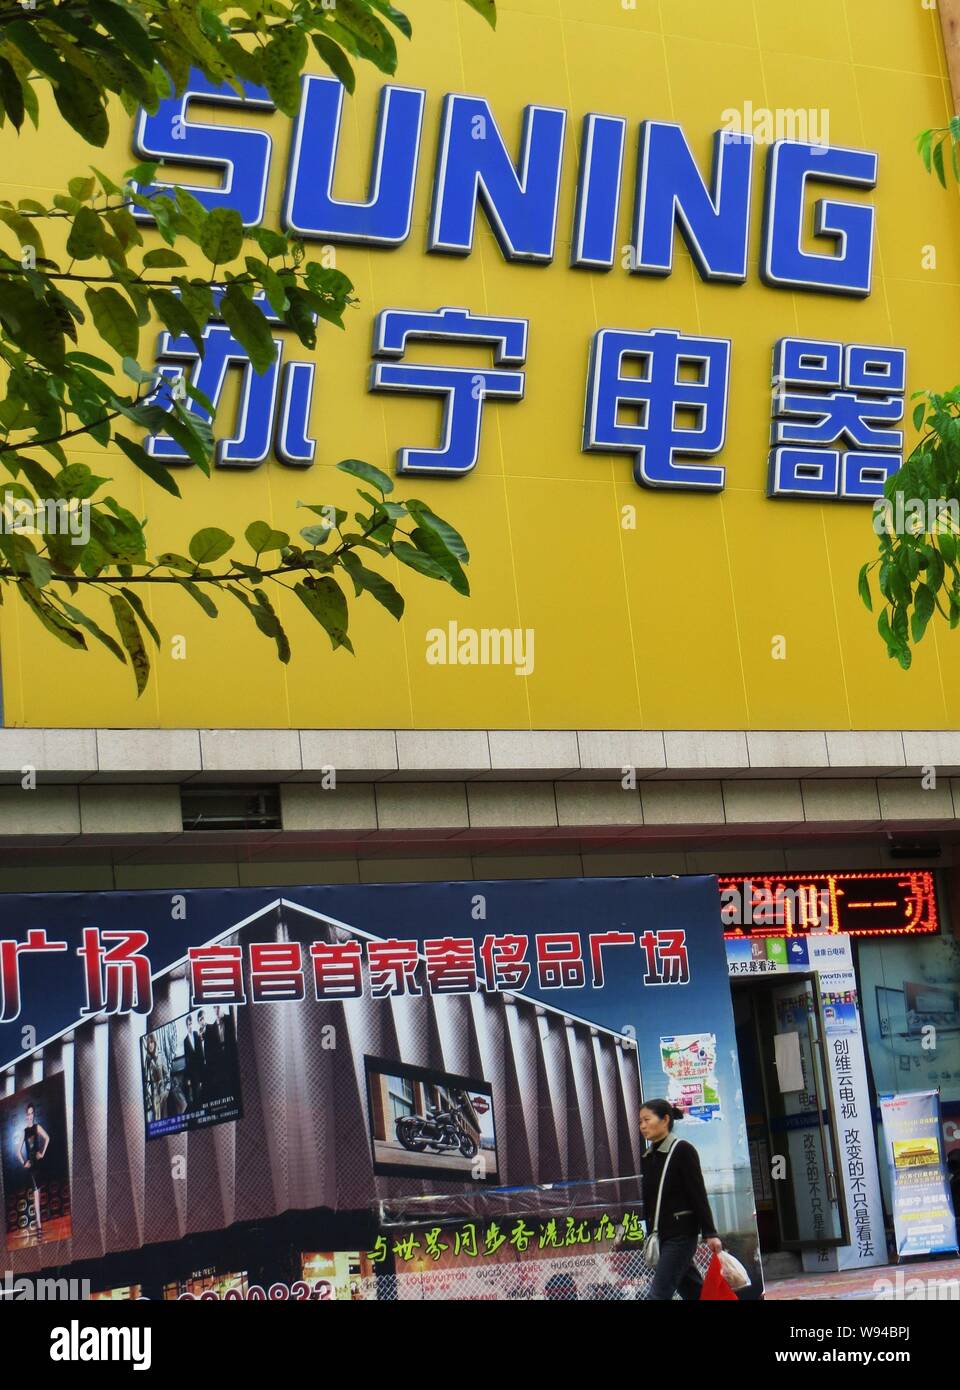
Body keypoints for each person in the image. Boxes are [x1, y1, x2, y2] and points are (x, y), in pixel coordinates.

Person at [639, 1098, 722, 1301]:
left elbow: (697, 1194)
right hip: (662, 1236)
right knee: (694, 1292)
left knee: (658, 1295)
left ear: (665, 1119)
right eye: (640, 1122)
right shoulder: (648, 1157)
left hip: (681, 1235)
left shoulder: (682, 1150)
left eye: (647, 1120)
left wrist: (710, 1232)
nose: (642, 1126)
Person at [19, 1102, 50, 1242]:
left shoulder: (37, 1127)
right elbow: (17, 1151)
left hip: (40, 1165)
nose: (30, 1116)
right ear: (26, 1116)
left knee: (39, 1195)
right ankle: (39, 1227)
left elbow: (47, 1138)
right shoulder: (24, 1132)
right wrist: (24, 1162)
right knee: (36, 1197)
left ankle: (39, 1226)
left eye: (32, 1113)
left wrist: (42, 1153)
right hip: (31, 1168)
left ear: (33, 1115)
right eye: (28, 1114)